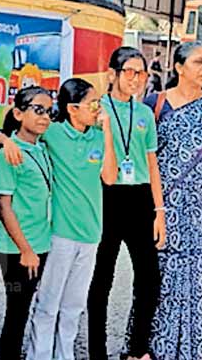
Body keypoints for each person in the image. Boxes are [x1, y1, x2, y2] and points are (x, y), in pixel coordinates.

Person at [145, 41, 202, 360]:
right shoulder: (154, 104)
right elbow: (145, 155)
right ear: (178, 67)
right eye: (198, 62)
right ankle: (155, 346)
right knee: (161, 275)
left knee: (201, 277)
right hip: (163, 205)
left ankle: (194, 349)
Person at [27, 79, 118, 360]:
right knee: (48, 304)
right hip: (60, 233)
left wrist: (108, 132)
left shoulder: (97, 137)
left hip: (91, 234)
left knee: (74, 306)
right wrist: (4, 140)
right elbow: (18, 132)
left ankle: (64, 355)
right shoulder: (53, 133)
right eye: (92, 103)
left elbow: (110, 177)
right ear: (72, 108)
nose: (97, 109)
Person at [88, 47, 166, 360]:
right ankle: (97, 351)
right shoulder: (97, 110)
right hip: (107, 197)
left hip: (140, 197)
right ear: (113, 74)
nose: (135, 79)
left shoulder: (145, 112)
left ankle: (137, 349)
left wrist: (159, 211)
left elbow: (152, 163)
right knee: (101, 279)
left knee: (149, 277)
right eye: (129, 72)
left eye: (141, 73)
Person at [0, 86, 56, 360]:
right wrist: (25, 250)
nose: (44, 117)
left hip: (41, 242)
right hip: (18, 247)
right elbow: (4, 205)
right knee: (17, 312)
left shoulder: (42, 148)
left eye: (49, 112)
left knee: (29, 307)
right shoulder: (9, 154)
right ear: (18, 114)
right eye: (38, 110)